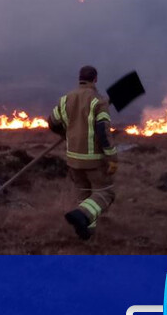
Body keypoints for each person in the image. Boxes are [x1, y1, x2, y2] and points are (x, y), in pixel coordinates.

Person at [48, 65, 117, 240]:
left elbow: (52, 122)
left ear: (80, 79)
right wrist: (112, 157)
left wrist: (65, 133)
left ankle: (86, 231)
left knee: (84, 192)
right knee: (105, 193)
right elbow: (103, 131)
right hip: (93, 160)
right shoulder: (98, 101)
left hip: (73, 160)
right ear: (95, 79)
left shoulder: (66, 99)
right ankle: (83, 215)